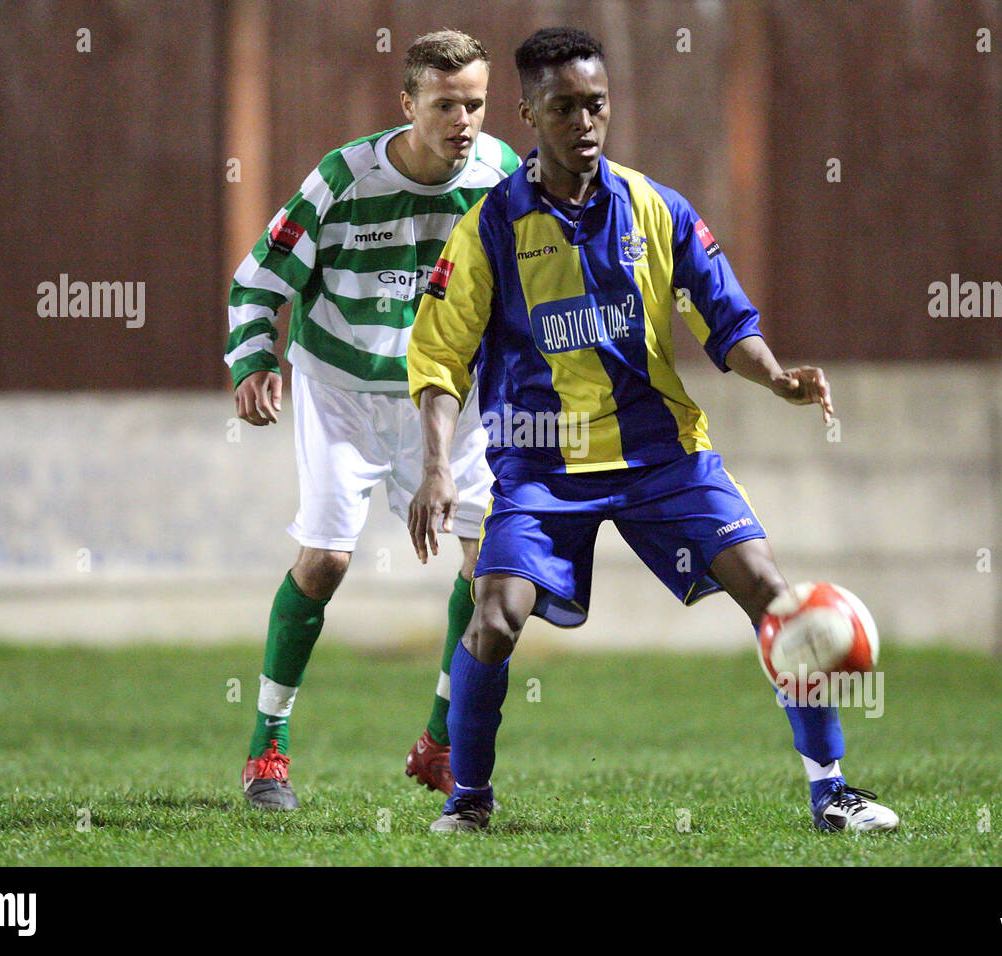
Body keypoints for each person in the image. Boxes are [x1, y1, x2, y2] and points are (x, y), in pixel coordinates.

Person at [406, 27, 899, 833]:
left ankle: (833, 791)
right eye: (563, 108)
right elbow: (438, 359)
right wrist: (437, 469)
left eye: (596, 103)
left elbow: (725, 316)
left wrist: (775, 375)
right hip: (540, 467)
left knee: (774, 594)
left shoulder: (657, 209)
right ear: (529, 113)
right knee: (492, 615)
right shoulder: (490, 229)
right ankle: (469, 801)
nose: (585, 122)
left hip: (661, 456)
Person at [226, 30, 521, 809]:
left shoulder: (501, 174)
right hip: (342, 391)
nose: (464, 120)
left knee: (489, 570)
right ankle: (268, 747)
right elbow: (258, 279)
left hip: (450, 395)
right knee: (325, 563)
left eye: (476, 103)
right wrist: (253, 359)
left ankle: (440, 741)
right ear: (408, 104)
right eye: (445, 104)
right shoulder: (343, 176)